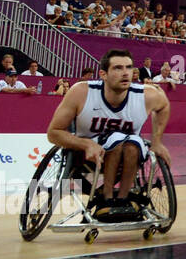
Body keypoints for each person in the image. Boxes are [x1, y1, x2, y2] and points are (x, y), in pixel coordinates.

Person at [45, 49, 172, 222]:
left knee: (132, 142)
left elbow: (164, 105)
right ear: (103, 74)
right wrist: (86, 144)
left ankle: (123, 199)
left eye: (128, 67)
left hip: (129, 154)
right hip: (85, 154)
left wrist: (157, 141)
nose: (125, 72)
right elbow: (54, 133)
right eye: (118, 68)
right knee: (117, 141)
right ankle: (106, 199)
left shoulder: (146, 95)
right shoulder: (81, 92)